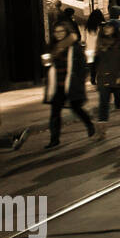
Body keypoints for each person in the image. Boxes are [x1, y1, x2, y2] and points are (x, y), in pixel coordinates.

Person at [44, 20, 96, 148]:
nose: (59, 34)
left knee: (76, 108)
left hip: (71, 83)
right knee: (55, 112)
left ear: (67, 31)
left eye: (61, 31)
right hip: (57, 84)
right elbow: (49, 64)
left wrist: (79, 80)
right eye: (56, 32)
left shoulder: (74, 46)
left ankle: (89, 124)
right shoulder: (53, 47)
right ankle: (54, 139)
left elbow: (83, 66)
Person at [93, 19, 120, 130]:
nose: (106, 29)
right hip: (104, 77)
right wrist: (94, 77)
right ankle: (101, 130)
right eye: (105, 27)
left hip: (117, 78)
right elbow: (96, 61)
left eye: (109, 27)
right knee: (103, 103)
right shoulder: (100, 42)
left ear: (115, 29)